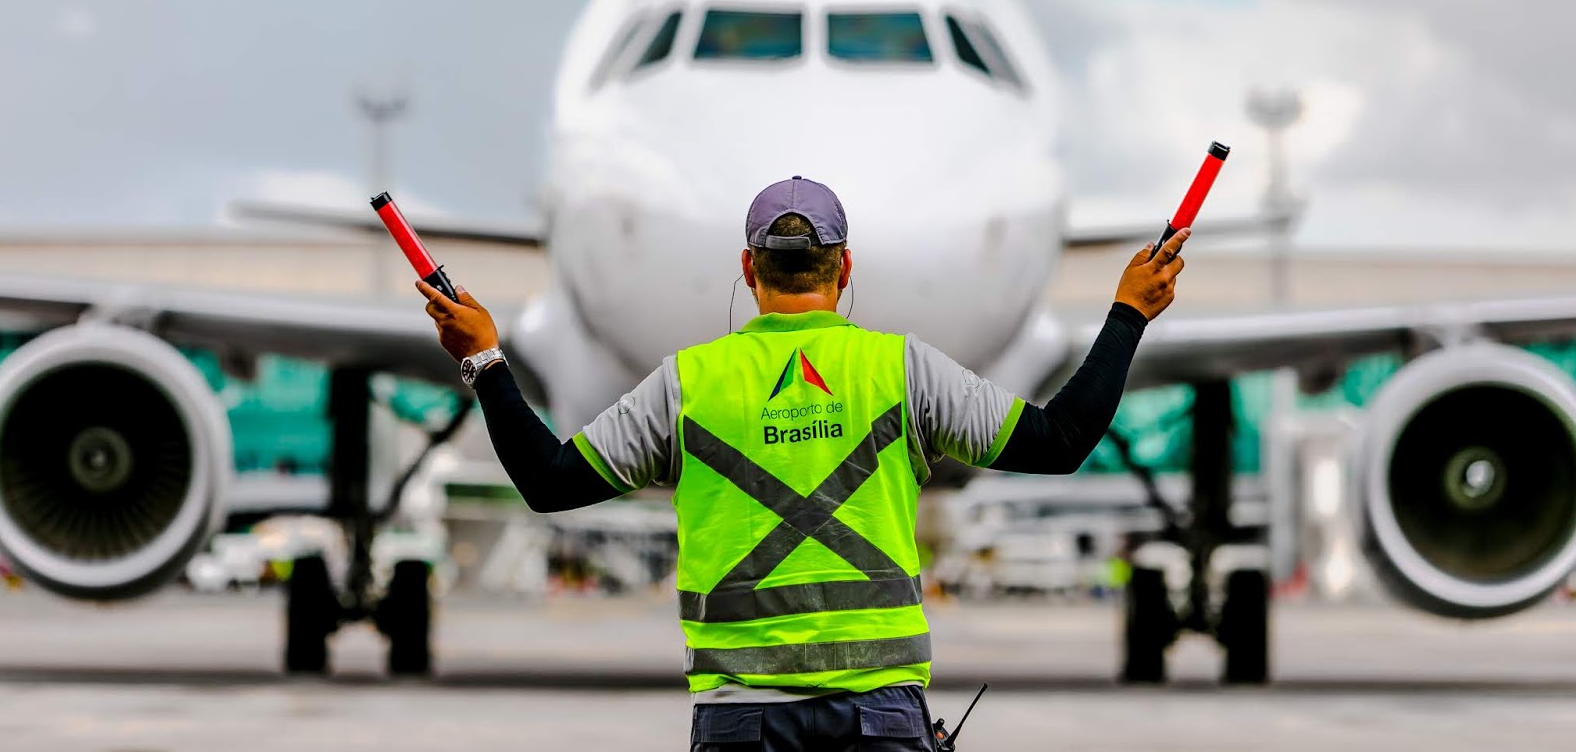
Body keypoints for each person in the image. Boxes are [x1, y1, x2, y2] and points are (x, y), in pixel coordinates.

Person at [418, 176, 1188, 752]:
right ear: (844, 268)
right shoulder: (905, 371)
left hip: (740, 718)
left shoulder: (688, 384)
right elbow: (1061, 441)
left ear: (749, 272)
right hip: (882, 718)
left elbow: (549, 481)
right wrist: (1128, 313)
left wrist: (484, 357)